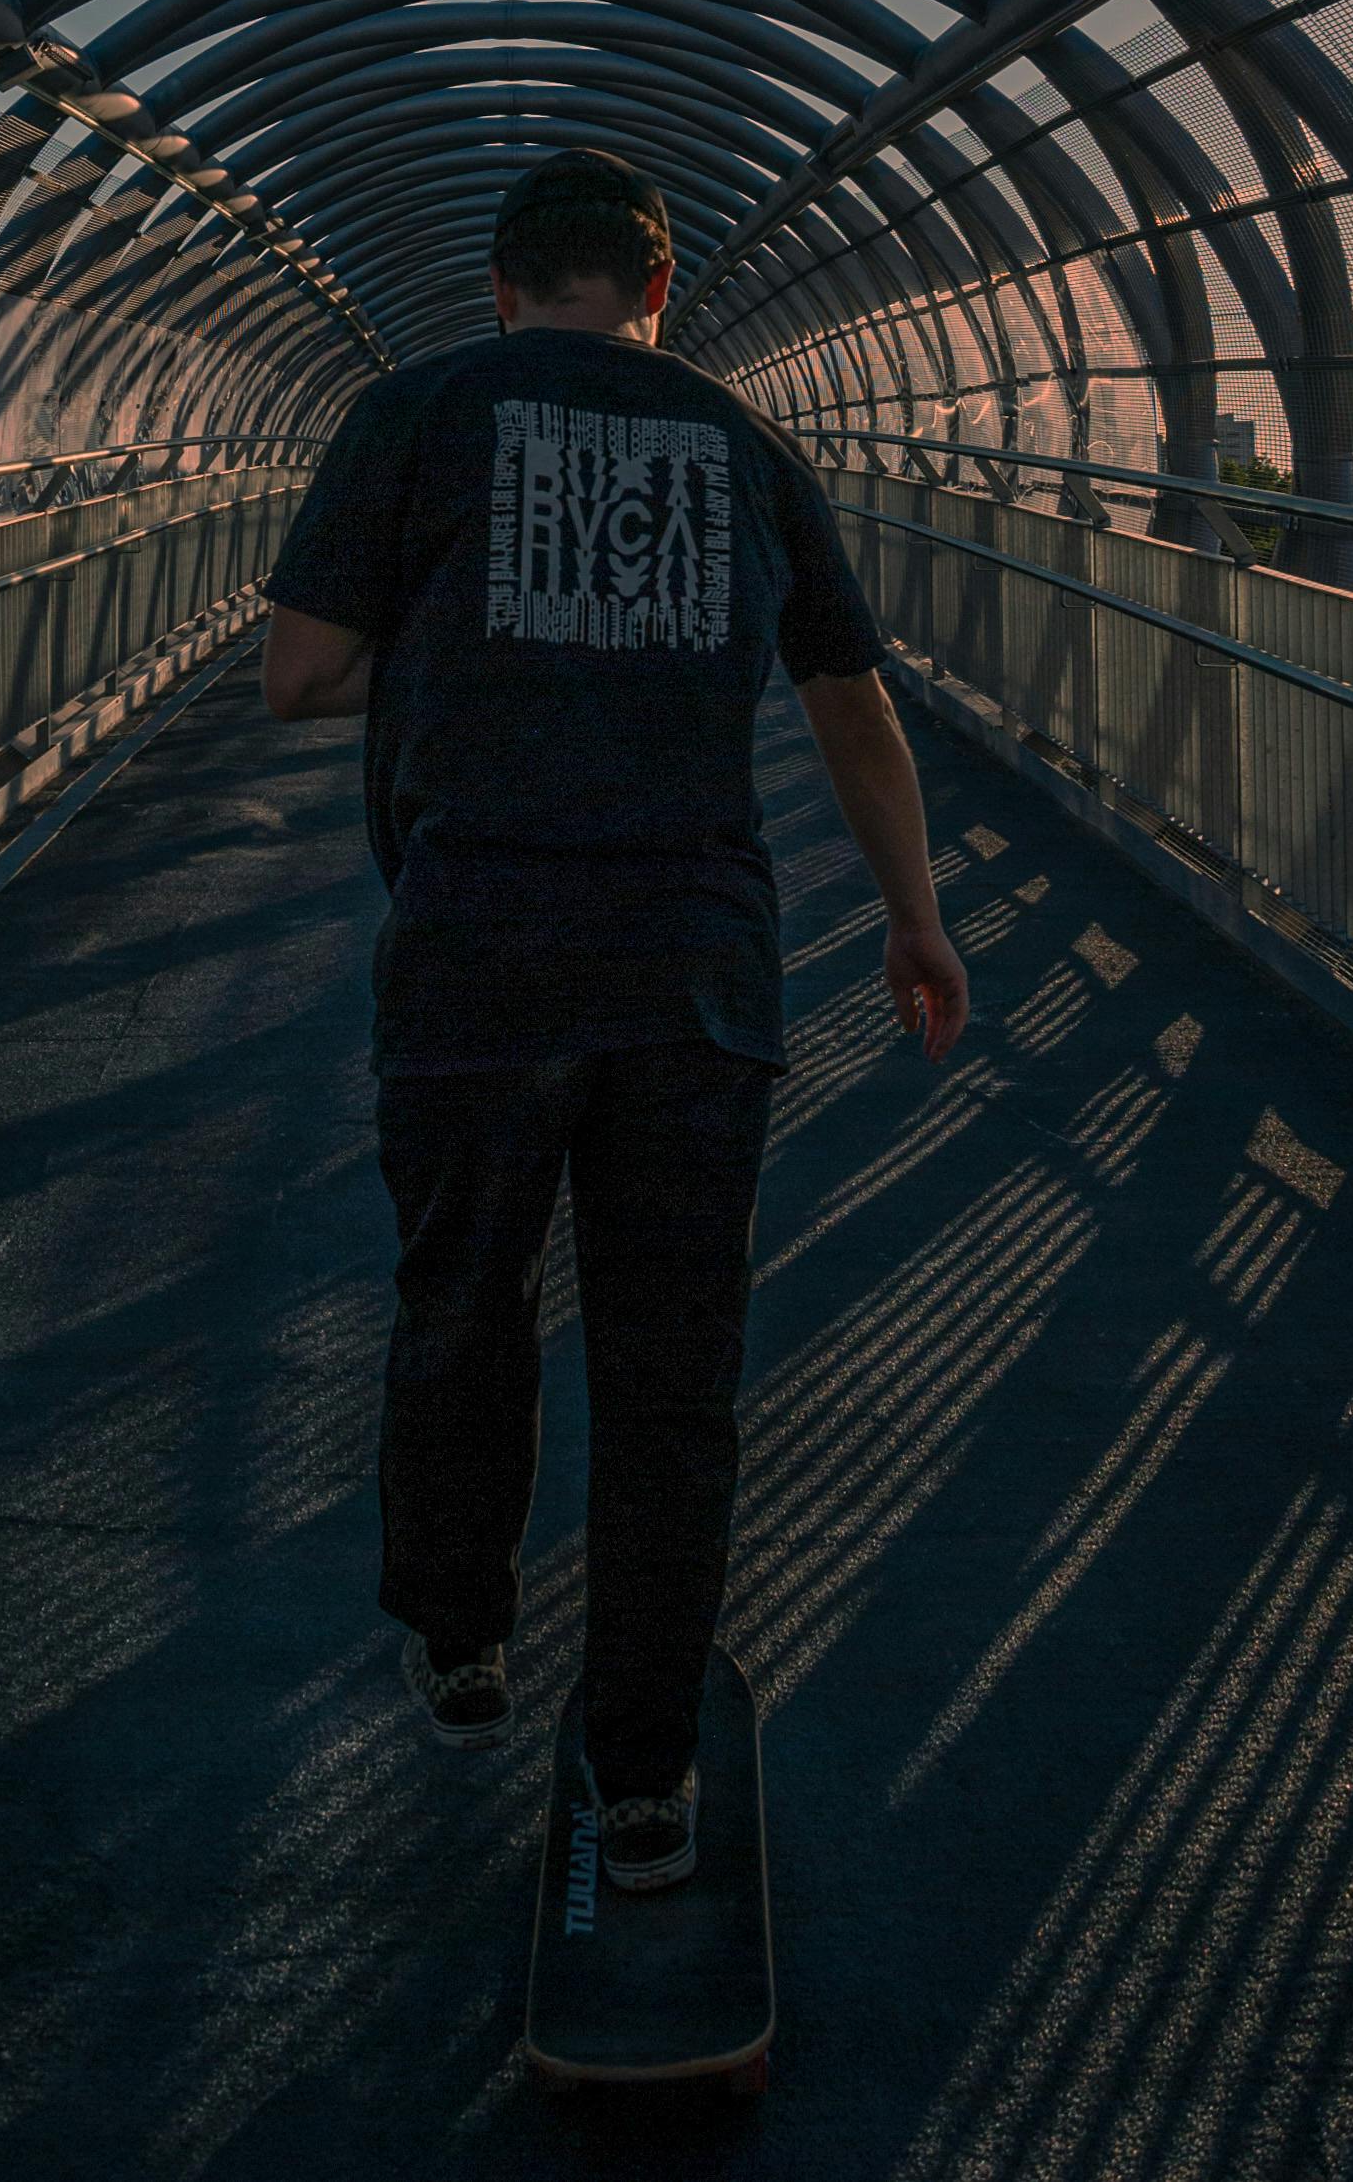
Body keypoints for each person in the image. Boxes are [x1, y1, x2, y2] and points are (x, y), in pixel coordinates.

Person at [261, 146, 969, 1891]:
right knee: (674, 1371)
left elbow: (297, 672)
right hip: (692, 966)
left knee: (463, 1299)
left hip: (477, 951)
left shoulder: (417, 409)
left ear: (501, 286)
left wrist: (450, 638)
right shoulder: (744, 441)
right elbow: (848, 700)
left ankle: (461, 1629)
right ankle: (642, 1766)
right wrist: (915, 916)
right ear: (661, 293)